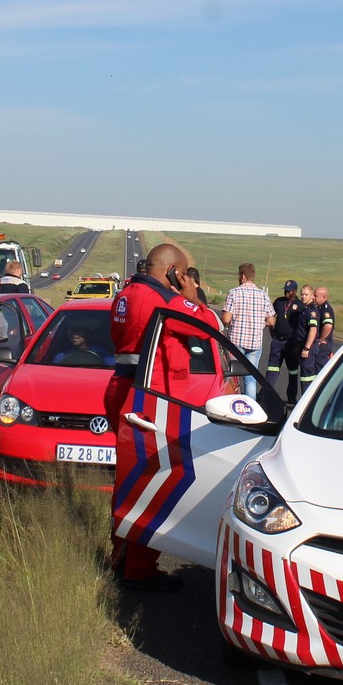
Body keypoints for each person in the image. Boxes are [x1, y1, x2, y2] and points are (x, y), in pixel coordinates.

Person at [105, 242, 216, 592]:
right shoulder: (164, 301)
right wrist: (193, 297)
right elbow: (206, 327)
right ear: (173, 271)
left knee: (131, 480)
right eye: (180, 274)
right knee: (153, 483)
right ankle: (138, 568)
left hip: (124, 389)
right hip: (151, 401)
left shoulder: (125, 295)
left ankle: (123, 556)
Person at [221, 262, 270, 397]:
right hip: (255, 343)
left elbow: (226, 319)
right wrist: (260, 323)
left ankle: (231, 403)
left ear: (242, 276)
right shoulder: (263, 295)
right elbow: (272, 320)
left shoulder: (234, 293)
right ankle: (250, 406)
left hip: (236, 341)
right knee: (250, 379)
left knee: (232, 377)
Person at [266, 280, 303, 402]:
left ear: (295, 291)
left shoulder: (300, 305)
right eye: (286, 290)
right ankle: (266, 394)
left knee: (293, 371)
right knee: (272, 369)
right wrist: (273, 333)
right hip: (277, 340)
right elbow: (271, 318)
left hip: (291, 342)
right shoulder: (278, 302)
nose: (287, 292)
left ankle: (291, 397)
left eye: (289, 291)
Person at [300, 286, 335, 394]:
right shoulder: (318, 308)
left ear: (324, 297)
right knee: (314, 373)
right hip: (320, 345)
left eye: (316, 296)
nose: (313, 297)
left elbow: (328, 326)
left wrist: (320, 339)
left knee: (319, 373)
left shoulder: (326, 309)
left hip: (323, 346)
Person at [290, 283, 317, 403]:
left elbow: (313, 330)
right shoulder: (305, 309)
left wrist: (306, 348)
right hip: (301, 345)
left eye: (306, 294)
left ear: (312, 295)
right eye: (302, 294)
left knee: (307, 377)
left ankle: (307, 403)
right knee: (303, 376)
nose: (303, 297)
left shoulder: (311, 311)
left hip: (308, 348)